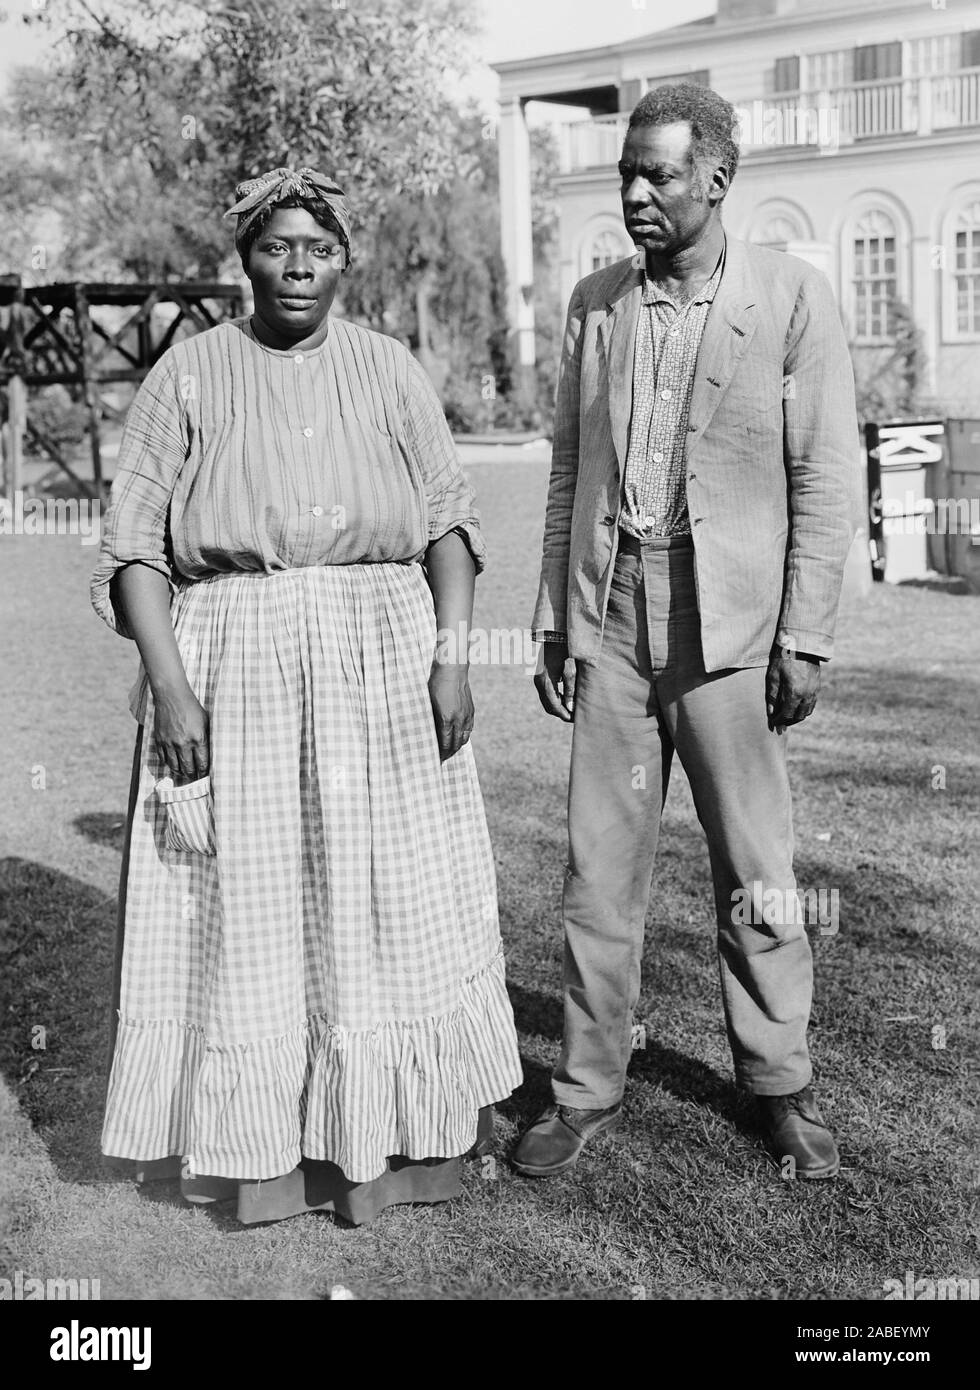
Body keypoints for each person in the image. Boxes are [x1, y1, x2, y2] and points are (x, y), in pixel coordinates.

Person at [91, 165, 522, 1226]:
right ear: (245, 258)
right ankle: (256, 1152)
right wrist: (170, 684)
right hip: (233, 654)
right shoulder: (187, 376)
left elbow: (448, 529)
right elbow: (135, 546)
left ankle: (395, 1139)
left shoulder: (389, 369)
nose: (297, 266)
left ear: (345, 260)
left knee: (385, 897)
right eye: (277, 246)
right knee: (247, 898)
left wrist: (452, 658)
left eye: (317, 249)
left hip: (381, 655)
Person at [512, 85, 862, 1181]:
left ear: (715, 180)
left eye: (658, 174)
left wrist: (802, 633)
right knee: (596, 870)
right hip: (610, 620)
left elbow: (824, 472)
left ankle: (780, 1087)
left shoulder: (792, 299)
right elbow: (571, 466)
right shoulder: (593, 303)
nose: (635, 193)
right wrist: (555, 620)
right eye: (628, 173)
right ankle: (582, 1088)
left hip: (730, 633)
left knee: (755, 870)